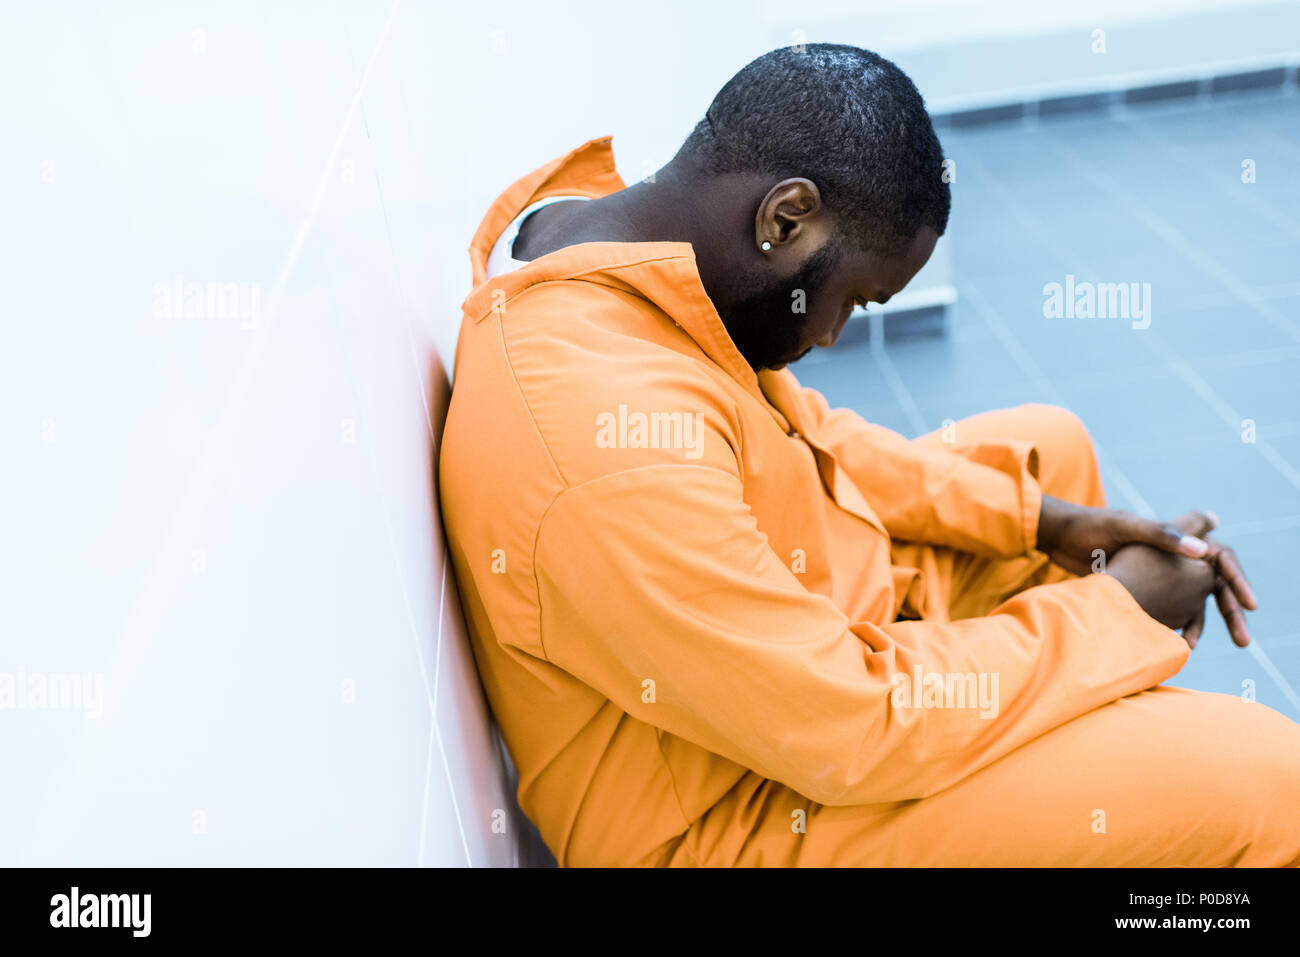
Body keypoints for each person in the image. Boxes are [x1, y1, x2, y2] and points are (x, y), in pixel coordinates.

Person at [440, 43, 1300, 866]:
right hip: (739, 816)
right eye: (853, 297)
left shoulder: (610, 249)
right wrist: (1116, 612)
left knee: (1049, 450)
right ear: (785, 217)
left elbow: (813, 435)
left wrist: (1042, 520)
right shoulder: (603, 442)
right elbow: (851, 720)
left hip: (799, 653)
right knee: (1271, 782)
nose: (837, 333)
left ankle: (1090, 774)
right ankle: (1152, 785)